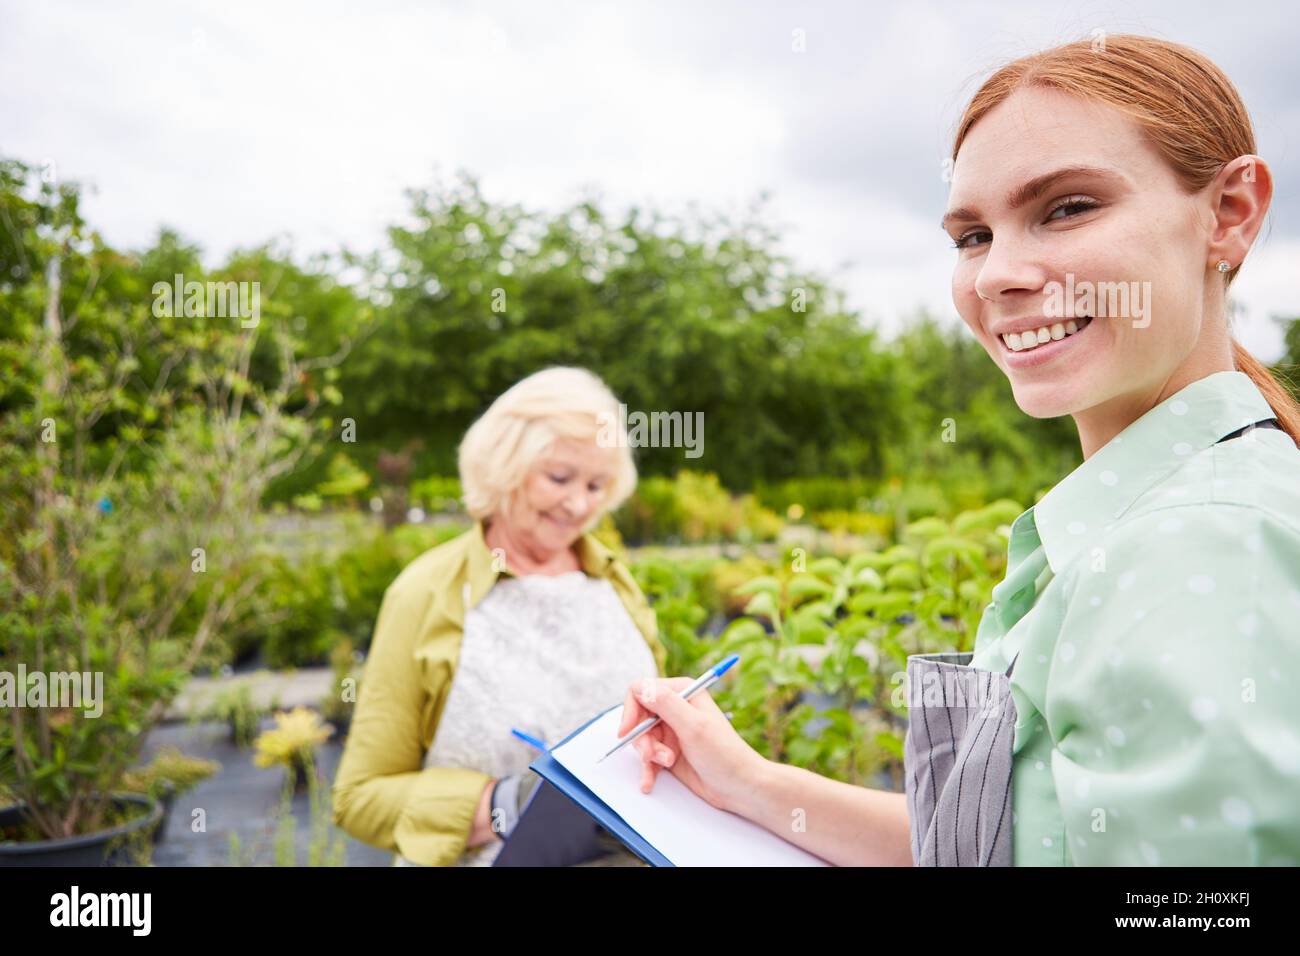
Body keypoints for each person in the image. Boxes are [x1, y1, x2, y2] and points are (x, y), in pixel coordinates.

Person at [616, 34, 1300, 867]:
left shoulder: (1197, 538)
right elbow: (1006, 845)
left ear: (1229, 213)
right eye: (972, 235)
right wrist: (748, 782)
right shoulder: (1162, 512)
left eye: (1068, 207)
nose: (997, 274)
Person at [333, 367, 666, 866]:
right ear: (504, 467)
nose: (578, 504)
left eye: (597, 485)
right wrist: (501, 806)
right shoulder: (426, 593)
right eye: (559, 478)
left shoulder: (614, 582)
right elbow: (359, 797)